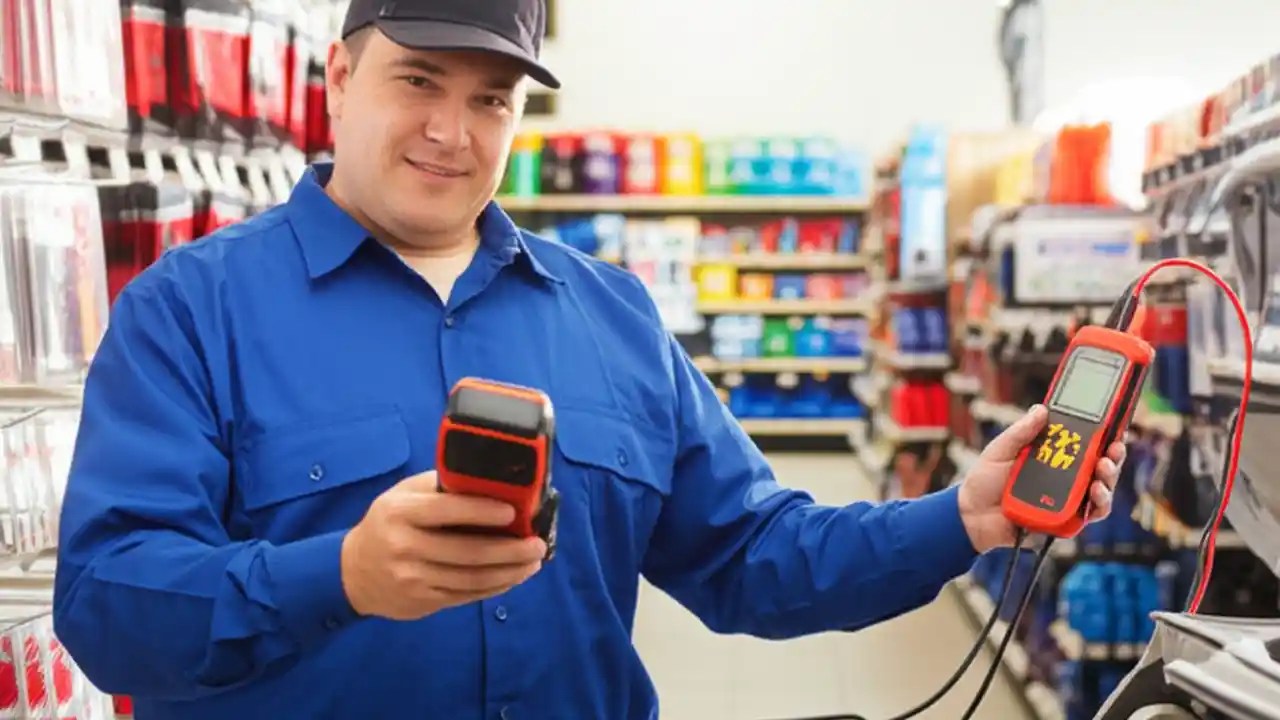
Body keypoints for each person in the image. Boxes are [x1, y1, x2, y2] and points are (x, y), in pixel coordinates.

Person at [52, 1, 1124, 718]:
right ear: (339, 74)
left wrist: (963, 519)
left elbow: (751, 555)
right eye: (418, 81)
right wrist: (338, 576)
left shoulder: (609, 315)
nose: (450, 131)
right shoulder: (189, 311)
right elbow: (107, 608)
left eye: (490, 100)